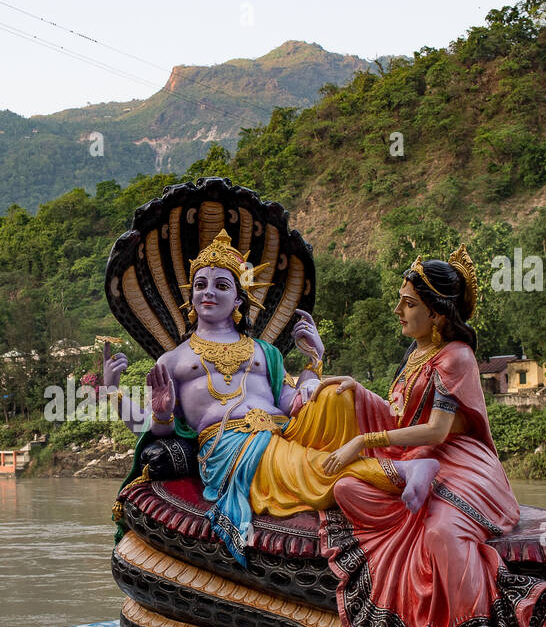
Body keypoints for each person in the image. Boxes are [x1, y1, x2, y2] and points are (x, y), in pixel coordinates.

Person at [311, 247, 546, 627]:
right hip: (417, 460)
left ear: (438, 312)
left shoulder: (456, 356)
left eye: (408, 302)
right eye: (402, 299)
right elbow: (400, 415)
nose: (398, 309)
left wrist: (362, 441)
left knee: (441, 531)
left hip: (461, 463)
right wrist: (357, 390)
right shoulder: (417, 353)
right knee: (347, 490)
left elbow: (438, 430)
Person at [106, 229, 440, 568]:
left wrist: (314, 362)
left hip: (283, 427)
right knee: (303, 463)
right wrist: (129, 398)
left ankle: (404, 444)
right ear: (190, 296)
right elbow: (148, 428)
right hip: (232, 445)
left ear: (238, 300)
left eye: (221, 286)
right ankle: (404, 469)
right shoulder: (173, 361)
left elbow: (293, 402)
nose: (208, 292)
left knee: (338, 394)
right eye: (200, 285)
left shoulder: (263, 352)